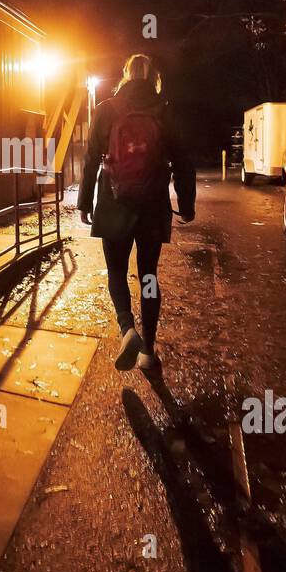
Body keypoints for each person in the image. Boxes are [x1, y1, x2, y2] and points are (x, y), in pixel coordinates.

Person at [79, 53, 195, 371]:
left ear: (126, 75)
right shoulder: (165, 111)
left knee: (116, 271)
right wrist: (186, 204)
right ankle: (148, 350)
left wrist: (85, 202)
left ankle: (126, 328)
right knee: (148, 275)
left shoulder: (107, 109)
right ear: (152, 76)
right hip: (152, 205)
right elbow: (184, 160)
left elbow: (90, 159)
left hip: (114, 203)